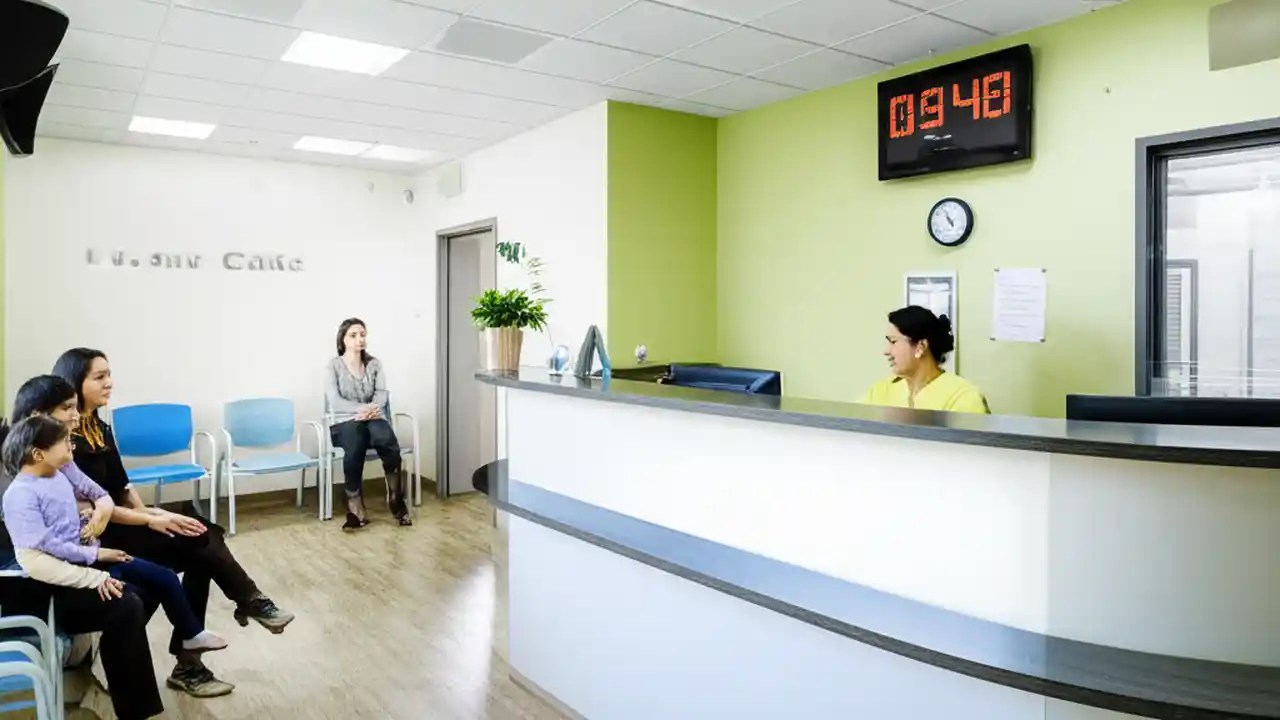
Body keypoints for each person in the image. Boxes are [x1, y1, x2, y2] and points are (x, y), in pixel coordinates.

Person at [49, 351, 294, 697]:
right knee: (201, 542)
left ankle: (199, 654)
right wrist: (153, 520)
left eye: (109, 375)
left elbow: (122, 488)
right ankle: (234, 615)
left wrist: (158, 515)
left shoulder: (99, 429)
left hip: (123, 521)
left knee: (199, 536)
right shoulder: (60, 441)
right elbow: (88, 509)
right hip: (98, 538)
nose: (109, 383)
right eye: (99, 377)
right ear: (76, 382)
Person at [1, 415, 229, 654]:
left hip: (88, 556)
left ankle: (191, 634)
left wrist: (85, 522)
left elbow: (80, 508)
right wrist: (97, 555)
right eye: (64, 442)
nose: (72, 445)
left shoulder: (58, 474)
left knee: (165, 577)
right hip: (71, 572)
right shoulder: (20, 495)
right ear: (39, 455)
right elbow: (49, 547)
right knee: (133, 598)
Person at [326, 318, 411, 530]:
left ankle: (395, 498)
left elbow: (382, 394)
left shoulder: (374, 364)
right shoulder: (333, 366)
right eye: (353, 335)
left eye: (362, 334)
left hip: (373, 416)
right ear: (343, 339)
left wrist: (371, 409)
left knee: (387, 439)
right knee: (355, 443)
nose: (359, 339)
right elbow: (334, 400)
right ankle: (355, 507)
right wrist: (359, 410)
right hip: (345, 421)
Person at [859, 306, 990, 414]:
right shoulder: (880, 391)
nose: (886, 351)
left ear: (920, 347)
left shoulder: (963, 397)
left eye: (893, 342)